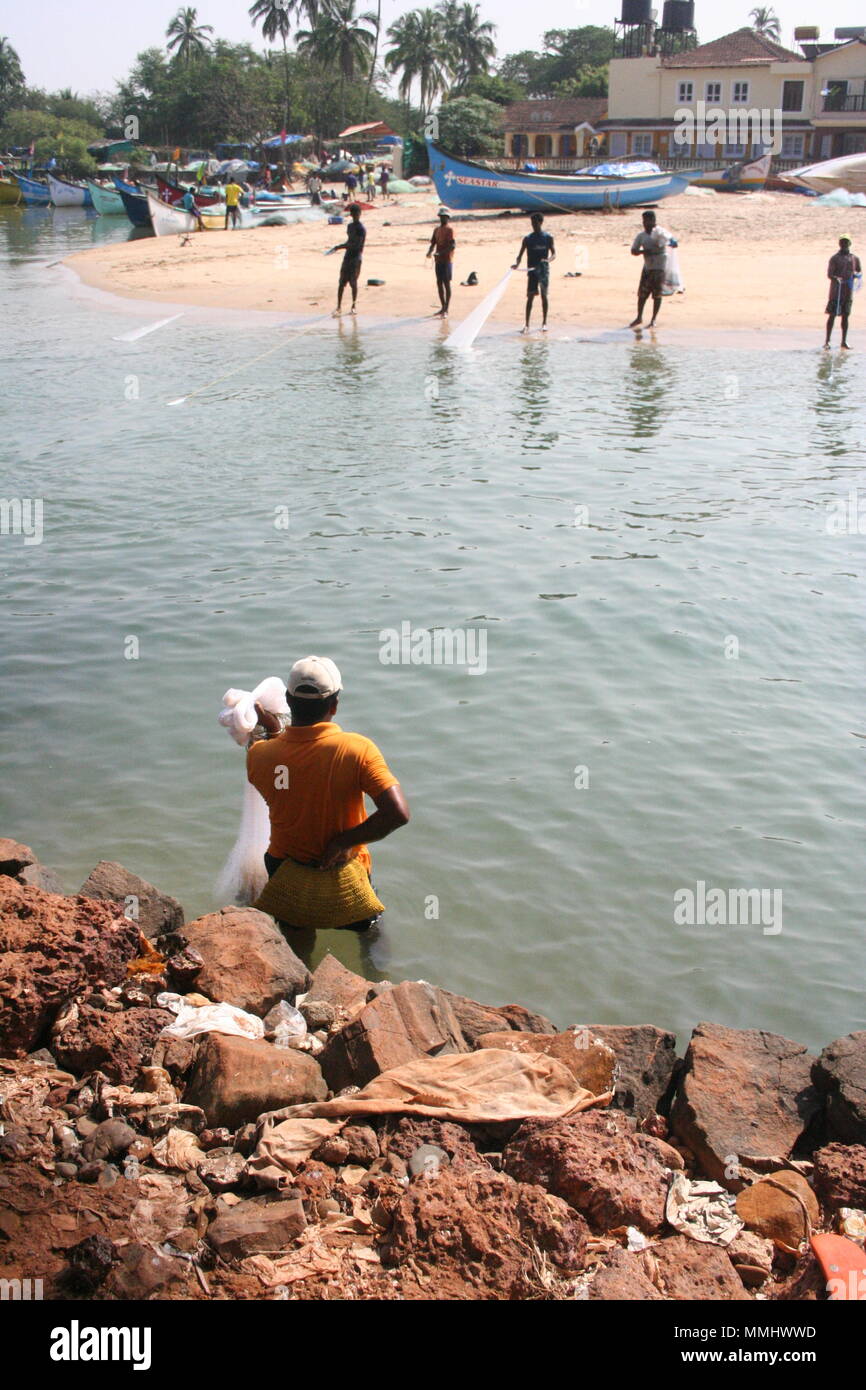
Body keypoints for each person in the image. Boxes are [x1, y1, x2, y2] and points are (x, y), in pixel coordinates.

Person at [248, 656, 409, 935]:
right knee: (369, 929)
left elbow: (286, 769)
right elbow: (397, 813)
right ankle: (373, 974)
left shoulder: (259, 756)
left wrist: (273, 729)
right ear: (334, 705)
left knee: (296, 931)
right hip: (343, 871)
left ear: (288, 700)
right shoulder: (357, 749)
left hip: (286, 868)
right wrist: (344, 842)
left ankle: (298, 972)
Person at [513, 211, 555, 332]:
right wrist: (516, 264)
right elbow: (520, 255)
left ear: (541, 223)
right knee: (530, 297)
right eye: (532, 223)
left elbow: (554, 254)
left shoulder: (548, 238)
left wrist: (547, 260)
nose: (533, 225)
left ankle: (544, 323)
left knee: (544, 296)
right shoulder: (528, 239)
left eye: (535, 223)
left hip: (543, 271)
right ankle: (526, 324)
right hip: (532, 271)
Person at [630, 210, 668, 328]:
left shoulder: (661, 233)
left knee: (657, 295)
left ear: (653, 221)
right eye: (644, 221)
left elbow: (666, 244)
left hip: (659, 268)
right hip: (647, 268)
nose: (645, 223)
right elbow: (633, 251)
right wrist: (642, 251)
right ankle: (639, 317)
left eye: (648, 221)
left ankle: (653, 319)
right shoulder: (641, 236)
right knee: (642, 295)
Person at [824, 235, 862, 350]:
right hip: (836, 292)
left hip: (847, 292)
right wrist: (836, 278)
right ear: (839, 244)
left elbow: (859, 270)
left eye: (846, 242)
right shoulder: (834, 258)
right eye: (842, 242)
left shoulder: (854, 258)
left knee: (845, 317)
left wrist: (856, 276)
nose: (844, 244)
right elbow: (830, 274)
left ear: (849, 244)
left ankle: (844, 341)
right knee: (832, 316)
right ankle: (827, 341)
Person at [332, 203, 366, 315]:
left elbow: (356, 245)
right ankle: (338, 307)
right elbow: (349, 241)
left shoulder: (361, 229)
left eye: (357, 214)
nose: (356, 216)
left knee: (353, 282)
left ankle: (353, 306)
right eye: (354, 214)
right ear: (351, 215)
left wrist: (341, 246)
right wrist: (339, 246)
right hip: (347, 257)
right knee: (341, 282)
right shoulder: (350, 227)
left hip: (356, 258)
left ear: (360, 214)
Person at [427, 208, 455, 317]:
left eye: (444, 217)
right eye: (441, 217)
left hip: (447, 260)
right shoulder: (436, 230)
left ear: (448, 218)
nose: (443, 219)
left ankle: (446, 309)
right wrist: (429, 252)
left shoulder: (450, 230)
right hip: (438, 261)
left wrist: (441, 253)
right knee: (439, 283)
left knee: (446, 283)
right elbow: (433, 243)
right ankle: (442, 307)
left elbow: (452, 246)